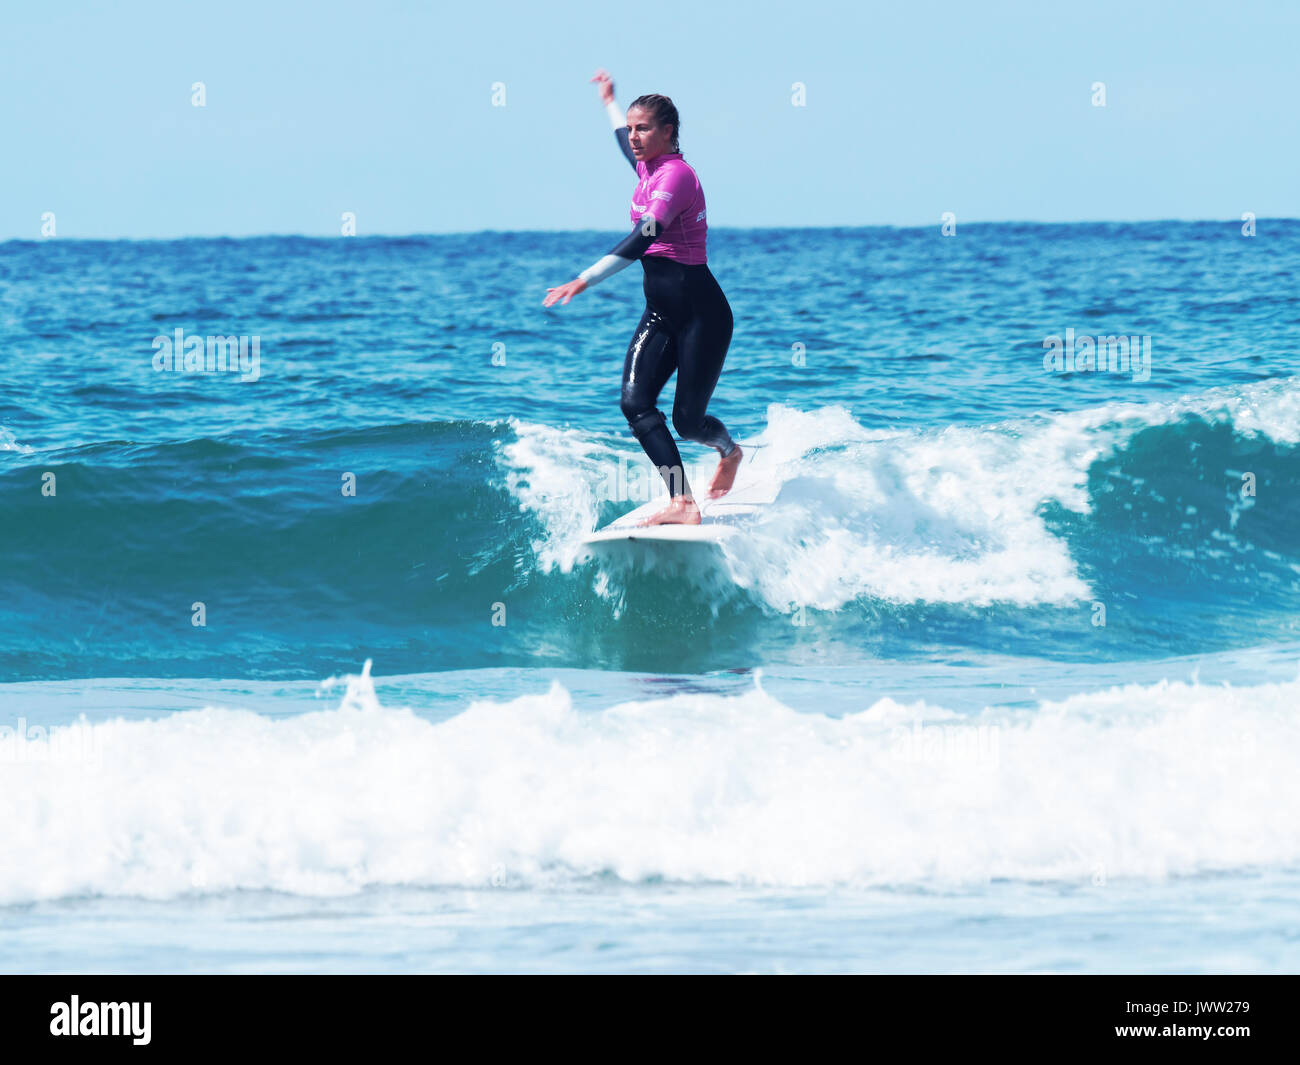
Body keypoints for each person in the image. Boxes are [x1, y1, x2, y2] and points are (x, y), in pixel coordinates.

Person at [542, 68, 742, 526]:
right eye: (631, 129)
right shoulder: (647, 166)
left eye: (643, 129)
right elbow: (619, 139)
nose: (633, 137)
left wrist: (584, 279)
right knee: (634, 404)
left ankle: (729, 451)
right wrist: (609, 102)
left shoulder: (677, 178)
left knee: (689, 422)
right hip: (660, 311)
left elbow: (644, 235)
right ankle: (683, 502)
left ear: (668, 132)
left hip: (702, 313)